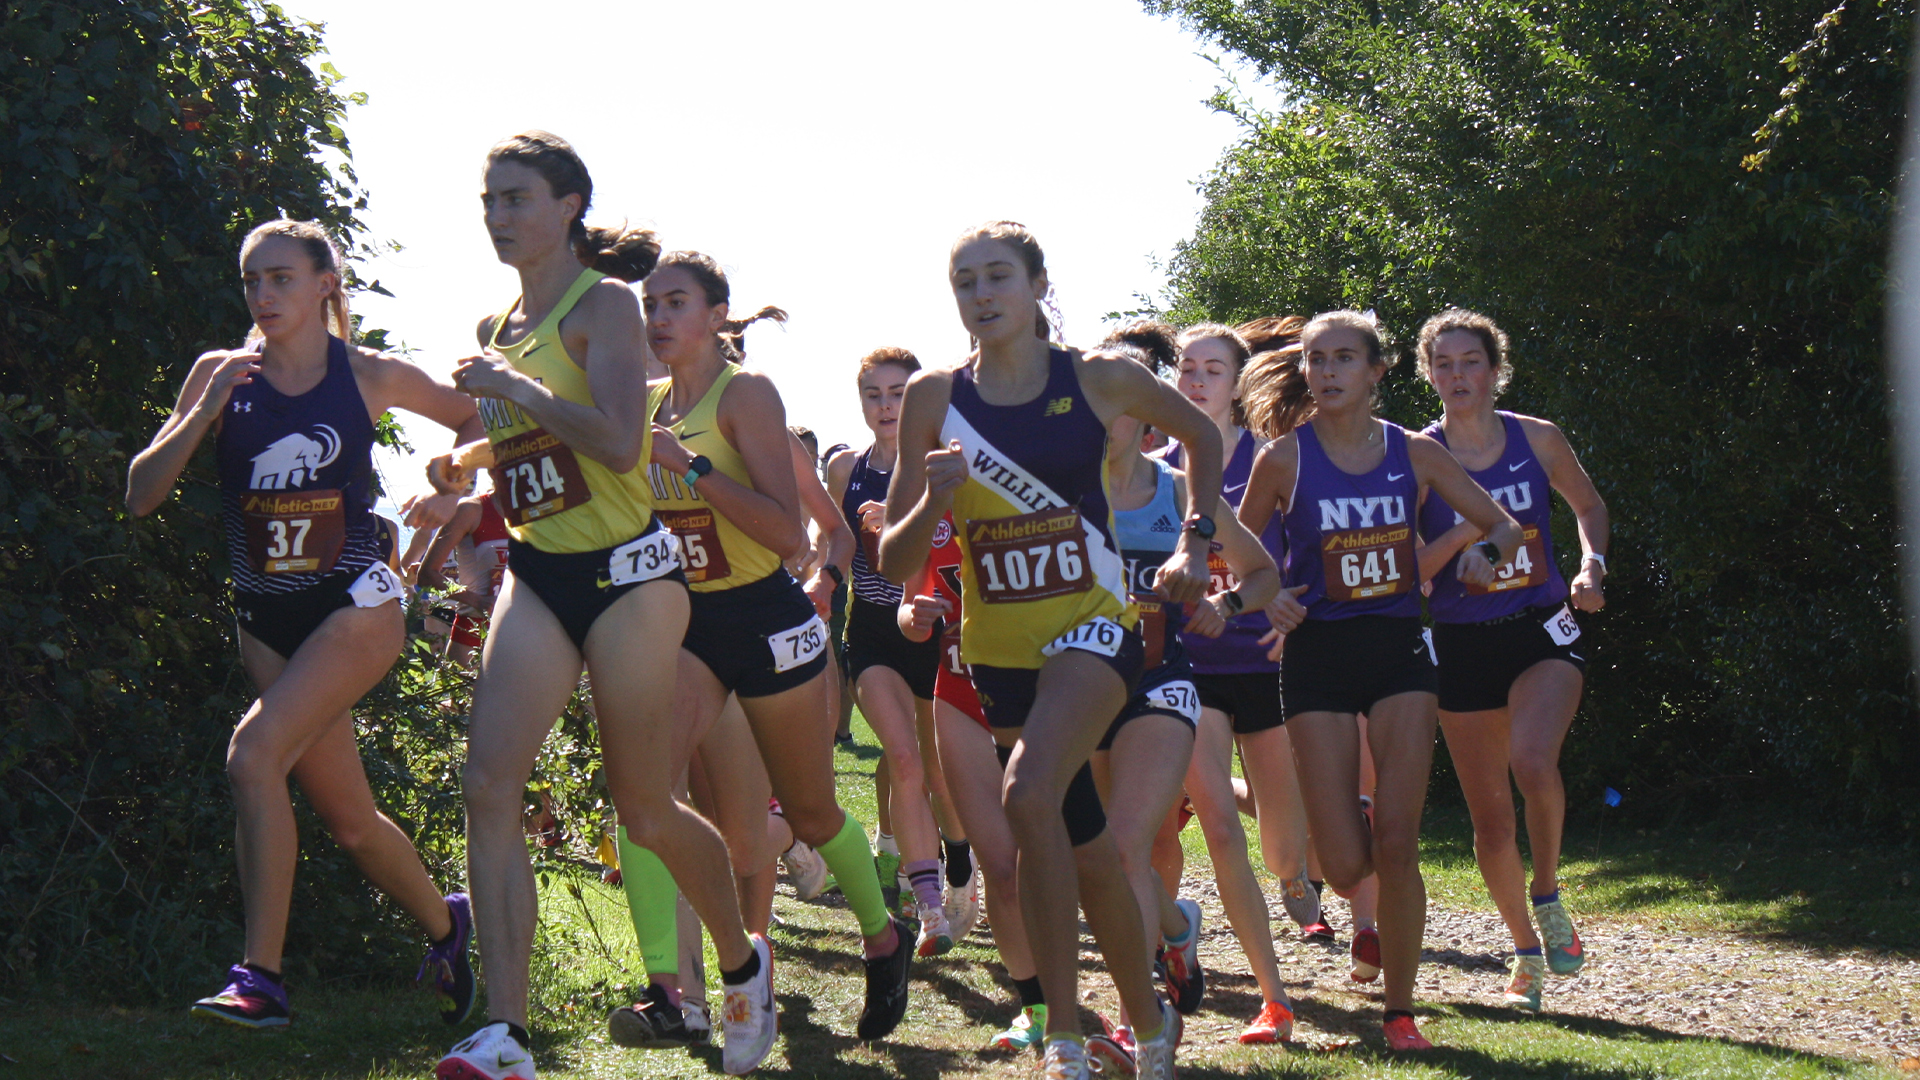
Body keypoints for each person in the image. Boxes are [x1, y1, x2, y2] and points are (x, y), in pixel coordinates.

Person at [427, 131, 775, 1079]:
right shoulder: (502, 326)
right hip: (540, 575)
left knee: (647, 808)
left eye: (518, 199)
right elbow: (538, 447)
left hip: (630, 578)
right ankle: (506, 1031)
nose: (499, 217)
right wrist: (464, 468)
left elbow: (621, 443)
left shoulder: (605, 304)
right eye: (489, 200)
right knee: (489, 787)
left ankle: (741, 968)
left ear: (570, 204)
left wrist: (510, 390)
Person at [879, 221, 1224, 1080]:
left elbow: (1207, 441)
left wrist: (1196, 541)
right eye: (965, 282)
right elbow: (890, 560)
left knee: (1026, 793)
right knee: (1080, 840)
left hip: (1099, 626)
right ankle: (1147, 1028)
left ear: (1037, 285)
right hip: (997, 649)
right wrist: (935, 501)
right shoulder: (933, 396)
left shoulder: (1101, 377)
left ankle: (1063, 1036)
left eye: (998, 276)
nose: (982, 294)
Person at [126, 218, 483, 1030]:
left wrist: (456, 491)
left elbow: (475, 419)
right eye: (252, 281)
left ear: (326, 284)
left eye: (281, 278)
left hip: (356, 607)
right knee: (352, 821)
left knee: (252, 756)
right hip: (267, 620)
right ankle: (447, 925)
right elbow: (141, 495)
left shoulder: (366, 373)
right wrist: (203, 410)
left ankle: (262, 979)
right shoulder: (221, 374)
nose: (263, 296)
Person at [629, 249, 914, 1046]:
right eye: (648, 304)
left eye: (674, 302)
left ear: (717, 314)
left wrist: (690, 468)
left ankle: (884, 938)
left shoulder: (744, 394)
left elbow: (789, 532)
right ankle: (669, 991)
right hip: (689, 625)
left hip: (765, 618)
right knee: (645, 793)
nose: (656, 318)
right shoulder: (646, 402)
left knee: (815, 813)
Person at [1237, 309, 1522, 1051]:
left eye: (1341, 359)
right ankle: (1350, 823)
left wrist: (1484, 558)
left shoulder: (1413, 453)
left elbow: (1503, 526)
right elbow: (1238, 551)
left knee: (1399, 847)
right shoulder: (1283, 461)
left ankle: (1400, 1013)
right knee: (1342, 862)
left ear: (1376, 372)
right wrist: (1272, 592)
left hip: (1400, 653)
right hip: (1319, 660)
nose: (1325, 372)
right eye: (1314, 359)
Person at [1088, 325, 1296, 1051]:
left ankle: (1144, 1017)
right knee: (1121, 857)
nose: (1102, 421)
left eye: (1115, 406)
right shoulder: (1057, 490)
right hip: (1084, 694)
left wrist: (1221, 603)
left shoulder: (1180, 487)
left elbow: (1262, 570)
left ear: (1144, 417)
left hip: (1172, 683)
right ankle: (1176, 930)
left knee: (1154, 843)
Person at [1413, 308, 1608, 1011]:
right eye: (1444, 364)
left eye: (1470, 362)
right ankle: (1525, 948)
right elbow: (1409, 569)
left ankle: (1548, 890)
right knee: (1491, 821)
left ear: (1495, 372)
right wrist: (1466, 536)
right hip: (1462, 645)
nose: (1457, 376)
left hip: (1540, 627)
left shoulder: (1537, 439)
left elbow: (1588, 506)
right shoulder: (1418, 456)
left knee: (1533, 761)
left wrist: (1592, 566)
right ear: (1428, 375)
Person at [1159, 322, 1328, 942]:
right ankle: (1247, 952)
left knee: (1284, 838)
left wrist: (1292, 614)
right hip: (1189, 665)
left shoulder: (1271, 457)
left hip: (1264, 657)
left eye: (1212, 371)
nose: (1196, 380)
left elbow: (1307, 553)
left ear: (1236, 386)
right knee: (1218, 822)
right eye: (1187, 368)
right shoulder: (1153, 472)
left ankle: (1292, 876)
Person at [828, 347, 970, 954]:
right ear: (860, 402)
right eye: (874, 395)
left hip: (939, 628)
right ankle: (930, 908)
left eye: (898, 394)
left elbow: (970, 539)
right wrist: (819, 577)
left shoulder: (945, 462)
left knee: (941, 771)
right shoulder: (844, 468)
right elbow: (832, 542)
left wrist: (903, 521)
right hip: (875, 631)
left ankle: (960, 865)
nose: (886, 407)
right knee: (905, 760)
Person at [897, 511, 1043, 1051]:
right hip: (957, 691)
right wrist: (916, 613)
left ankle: (1163, 926)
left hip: (1036, 691)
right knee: (1001, 867)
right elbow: (907, 611)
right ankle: (1036, 1005)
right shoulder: (932, 508)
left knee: (1060, 855)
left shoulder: (1029, 485)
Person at [418, 487, 511, 665]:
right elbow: (427, 574)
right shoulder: (471, 510)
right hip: (472, 631)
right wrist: (477, 601)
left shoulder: (539, 514)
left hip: (524, 631)